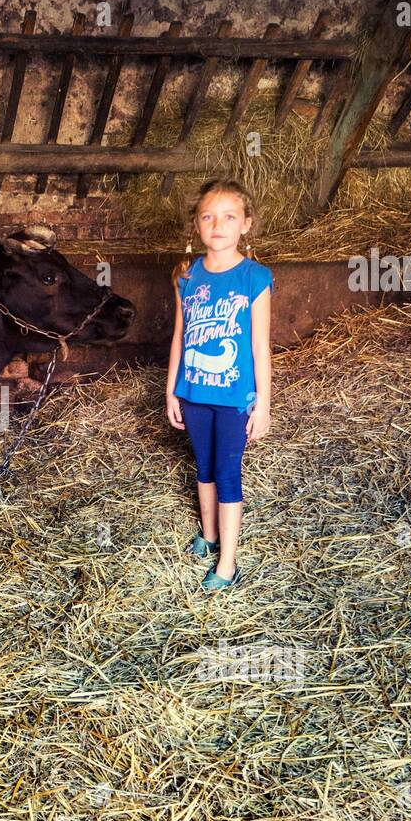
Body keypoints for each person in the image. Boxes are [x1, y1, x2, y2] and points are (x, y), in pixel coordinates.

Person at [166, 179, 273, 590]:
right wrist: (172, 390)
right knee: (204, 466)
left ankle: (228, 563)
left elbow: (260, 345)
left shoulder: (254, 277)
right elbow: (179, 336)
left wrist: (262, 403)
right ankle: (209, 536)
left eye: (229, 217)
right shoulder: (185, 276)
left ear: (246, 224)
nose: (218, 225)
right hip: (194, 392)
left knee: (228, 471)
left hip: (234, 397)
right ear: (196, 224)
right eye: (208, 216)